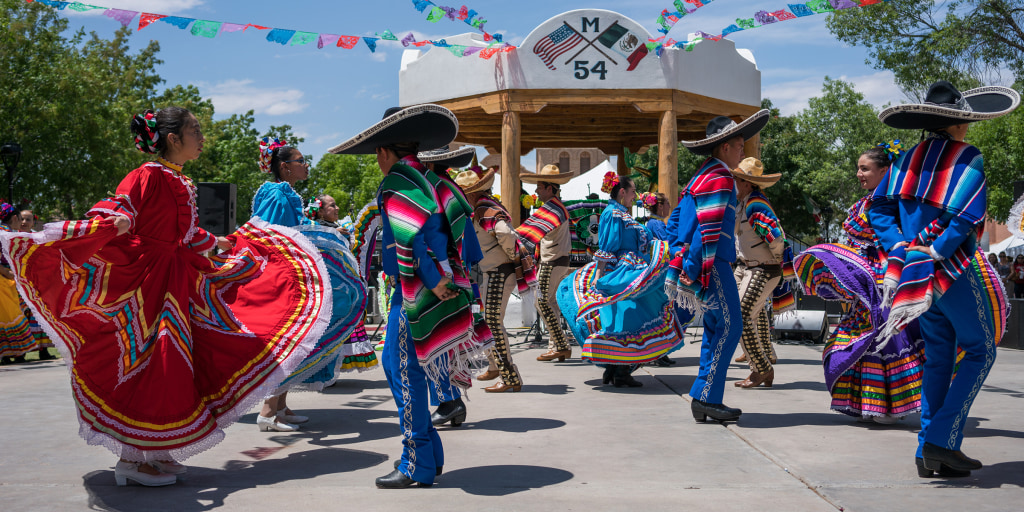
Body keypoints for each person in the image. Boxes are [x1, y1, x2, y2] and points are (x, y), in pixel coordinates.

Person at [0, 107, 331, 486]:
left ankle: (154, 451)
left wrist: (222, 242)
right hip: (145, 281)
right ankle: (129, 458)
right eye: (196, 130)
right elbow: (120, 207)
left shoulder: (179, 179)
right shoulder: (148, 174)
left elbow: (186, 234)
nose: (202, 136)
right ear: (173, 139)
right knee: (142, 360)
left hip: (175, 278)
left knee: (171, 364)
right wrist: (116, 221)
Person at [329, 104, 491, 489]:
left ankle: (415, 460)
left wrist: (433, 278)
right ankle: (430, 455)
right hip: (434, 287)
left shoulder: (398, 181)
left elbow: (410, 236)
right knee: (408, 371)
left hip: (417, 291)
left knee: (402, 371)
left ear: (384, 151)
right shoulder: (429, 179)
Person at [868, 81, 1016, 477]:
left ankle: (928, 452)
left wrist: (900, 246)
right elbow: (968, 217)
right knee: (981, 349)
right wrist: (935, 250)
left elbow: (877, 207)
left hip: (914, 276)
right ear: (959, 124)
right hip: (949, 270)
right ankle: (941, 441)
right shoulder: (968, 157)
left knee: (939, 358)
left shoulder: (906, 158)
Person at [795, 142, 925, 424]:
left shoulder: (899, 203)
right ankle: (870, 404)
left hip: (888, 280)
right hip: (867, 284)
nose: (858, 174)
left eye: (864, 168)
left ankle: (889, 406)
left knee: (885, 337)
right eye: (858, 168)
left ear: (884, 171)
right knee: (865, 339)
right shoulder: (867, 204)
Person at [251, 137, 369, 432]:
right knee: (288, 341)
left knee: (297, 341)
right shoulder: (278, 194)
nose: (306, 165)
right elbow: (275, 236)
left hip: (292, 276)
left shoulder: (285, 191)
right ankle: (268, 411)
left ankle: (280, 407)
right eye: (300, 160)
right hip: (285, 279)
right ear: (284, 167)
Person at [667, 109, 770, 423]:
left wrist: (684, 259)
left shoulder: (701, 176)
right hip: (714, 264)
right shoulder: (721, 176)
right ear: (725, 146)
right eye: (739, 145)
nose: (742, 150)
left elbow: (676, 223)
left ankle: (703, 396)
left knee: (716, 328)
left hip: (705, 262)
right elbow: (706, 230)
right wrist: (698, 267)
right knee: (730, 326)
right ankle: (708, 398)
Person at [557, 172, 685, 387]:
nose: (635, 196)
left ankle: (615, 369)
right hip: (623, 273)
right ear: (622, 192)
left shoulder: (621, 213)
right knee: (626, 320)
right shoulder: (612, 214)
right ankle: (620, 371)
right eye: (633, 191)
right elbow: (607, 246)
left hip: (630, 269)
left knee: (625, 319)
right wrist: (600, 276)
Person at [417, 145, 491, 418]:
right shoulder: (449, 187)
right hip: (456, 268)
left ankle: (449, 400)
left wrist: (439, 271)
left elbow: (435, 235)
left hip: (442, 271)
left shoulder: (435, 187)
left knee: (438, 338)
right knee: (449, 340)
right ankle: (451, 399)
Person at [456, 165, 537, 393]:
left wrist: (513, 257)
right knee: (488, 320)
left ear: (470, 194)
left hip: (499, 272)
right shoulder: (484, 207)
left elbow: (506, 233)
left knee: (492, 322)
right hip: (494, 271)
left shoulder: (484, 209)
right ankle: (494, 366)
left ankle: (509, 376)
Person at [305, 194, 379, 373]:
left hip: (339, 289)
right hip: (326, 288)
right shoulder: (313, 230)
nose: (337, 208)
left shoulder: (335, 228)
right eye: (332, 205)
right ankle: (320, 369)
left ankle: (329, 368)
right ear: (320, 211)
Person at [731, 158, 787, 388]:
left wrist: (774, 259)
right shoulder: (746, 203)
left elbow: (775, 237)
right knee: (745, 316)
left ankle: (762, 369)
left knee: (742, 317)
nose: (732, 183)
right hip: (751, 268)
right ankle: (762, 366)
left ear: (745, 182)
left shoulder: (755, 205)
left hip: (762, 269)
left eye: (735, 179)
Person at [516, 164, 574, 363]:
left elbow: (528, 232)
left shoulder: (552, 208)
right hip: (558, 260)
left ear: (550, 188)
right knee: (551, 304)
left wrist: (507, 239)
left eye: (539, 186)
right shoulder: (556, 207)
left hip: (552, 261)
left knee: (541, 301)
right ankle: (556, 346)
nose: (536, 191)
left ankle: (562, 344)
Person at [0, 203, 36, 365]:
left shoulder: (7, 232)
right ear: (14, 218)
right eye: (20, 219)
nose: (21, 222)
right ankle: (14, 352)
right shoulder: (6, 233)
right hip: (6, 277)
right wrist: (5, 271)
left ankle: (10, 353)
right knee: (12, 314)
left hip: (10, 277)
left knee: (9, 314)